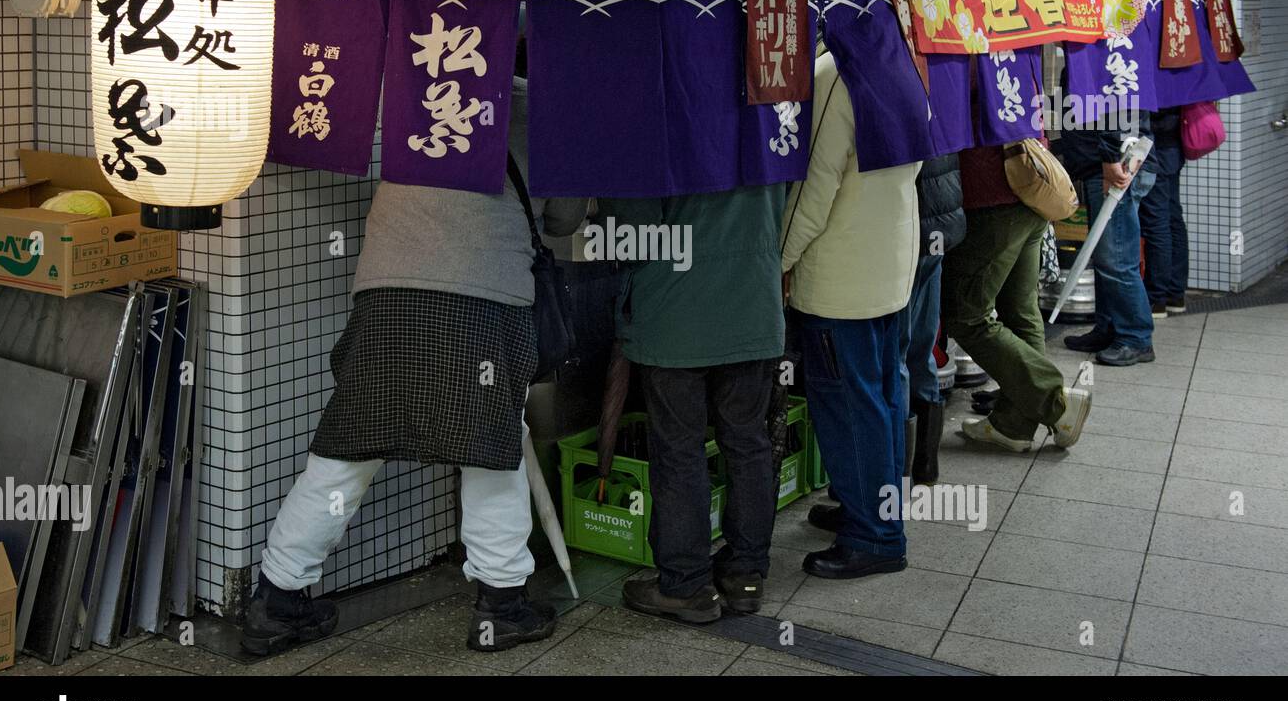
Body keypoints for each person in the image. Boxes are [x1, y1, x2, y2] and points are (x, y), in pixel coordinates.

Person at [243, 56, 587, 656]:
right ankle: (502, 604)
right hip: (484, 299)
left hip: (387, 296)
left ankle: (276, 601)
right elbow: (562, 217)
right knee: (492, 451)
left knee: (346, 451)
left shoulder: (414, 89)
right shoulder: (543, 113)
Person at [598, 183, 786, 623]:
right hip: (754, 306)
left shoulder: (655, 126)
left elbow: (636, 229)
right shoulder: (764, 118)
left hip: (676, 311)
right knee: (748, 443)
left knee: (679, 450)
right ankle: (746, 577)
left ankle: (685, 585)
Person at [782, 49, 918, 579]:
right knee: (882, 396)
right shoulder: (905, 60)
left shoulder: (834, 73)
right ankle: (873, 508)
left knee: (849, 404)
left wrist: (778, 261)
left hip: (842, 274)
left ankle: (875, 536)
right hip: (889, 263)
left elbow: (813, 192)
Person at [943, 139, 1092, 453]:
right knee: (1020, 312)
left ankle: (1055, 402)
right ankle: (1013, 425)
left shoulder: (970, 85)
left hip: (992, 199)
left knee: (966, 315)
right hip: (1031, 190)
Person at [1060, 108, 1158, 365]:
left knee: (1116, 258)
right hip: (1103, 162)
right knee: (1106, 257)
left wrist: (1110, 157)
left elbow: (1117, 103)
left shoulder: (1105, 66)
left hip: (1115, 164)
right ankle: (1109, 328)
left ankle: (1136, 337)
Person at [901, 152, 965, 484]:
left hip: (911, 222)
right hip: (940, 217)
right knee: (922, 345)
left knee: (895, 353)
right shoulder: (940, 96)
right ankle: (925, 464)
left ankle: (895, 469)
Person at [1137, 106, 1187, 319]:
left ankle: (1156, 297)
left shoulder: (1155, 74)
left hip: (1156, 147)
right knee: (1173, 218)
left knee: (1156, 221)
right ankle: (1175, 294)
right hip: (1173, 145)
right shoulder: (1180, 74)